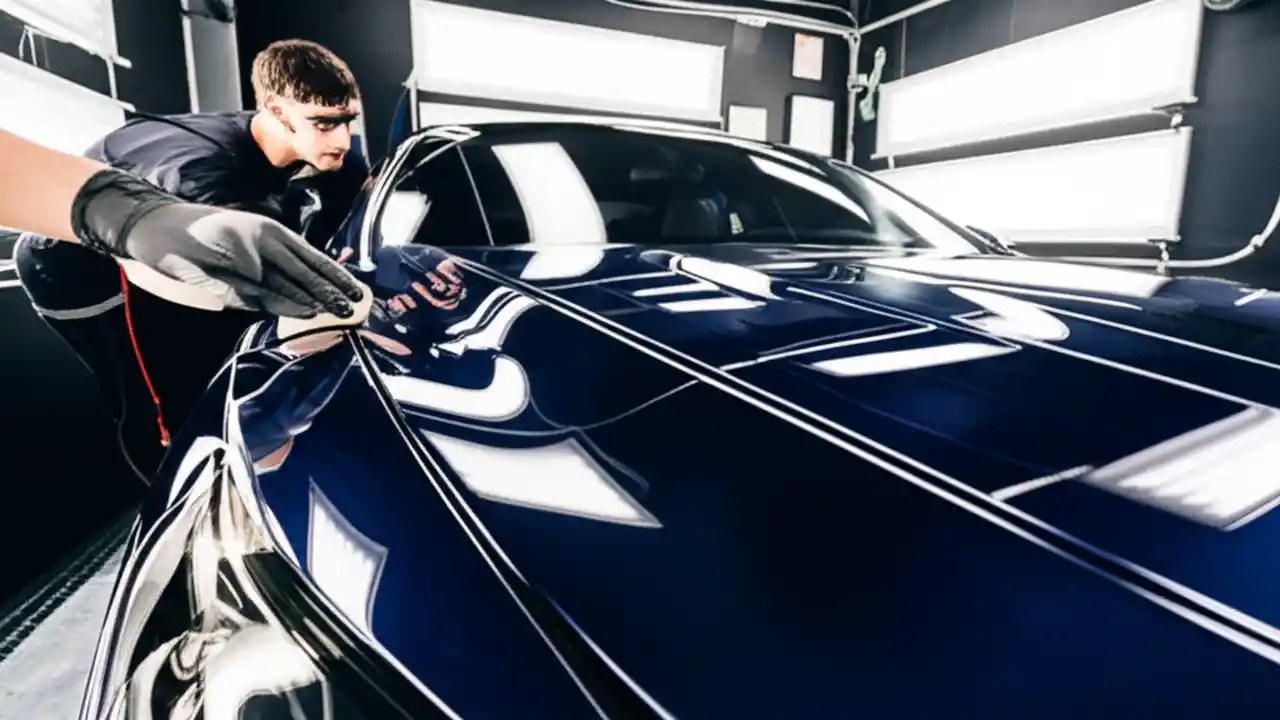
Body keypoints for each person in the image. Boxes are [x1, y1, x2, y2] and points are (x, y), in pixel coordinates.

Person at [11, 39, 376, 481]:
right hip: (77, 263)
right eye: (324, 124)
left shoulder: (335, 158)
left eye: (346, 122)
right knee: (162, 397)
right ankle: (175, 499)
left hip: (186, 227)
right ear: (277, 112)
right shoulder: (203, 173)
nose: (341, 139)